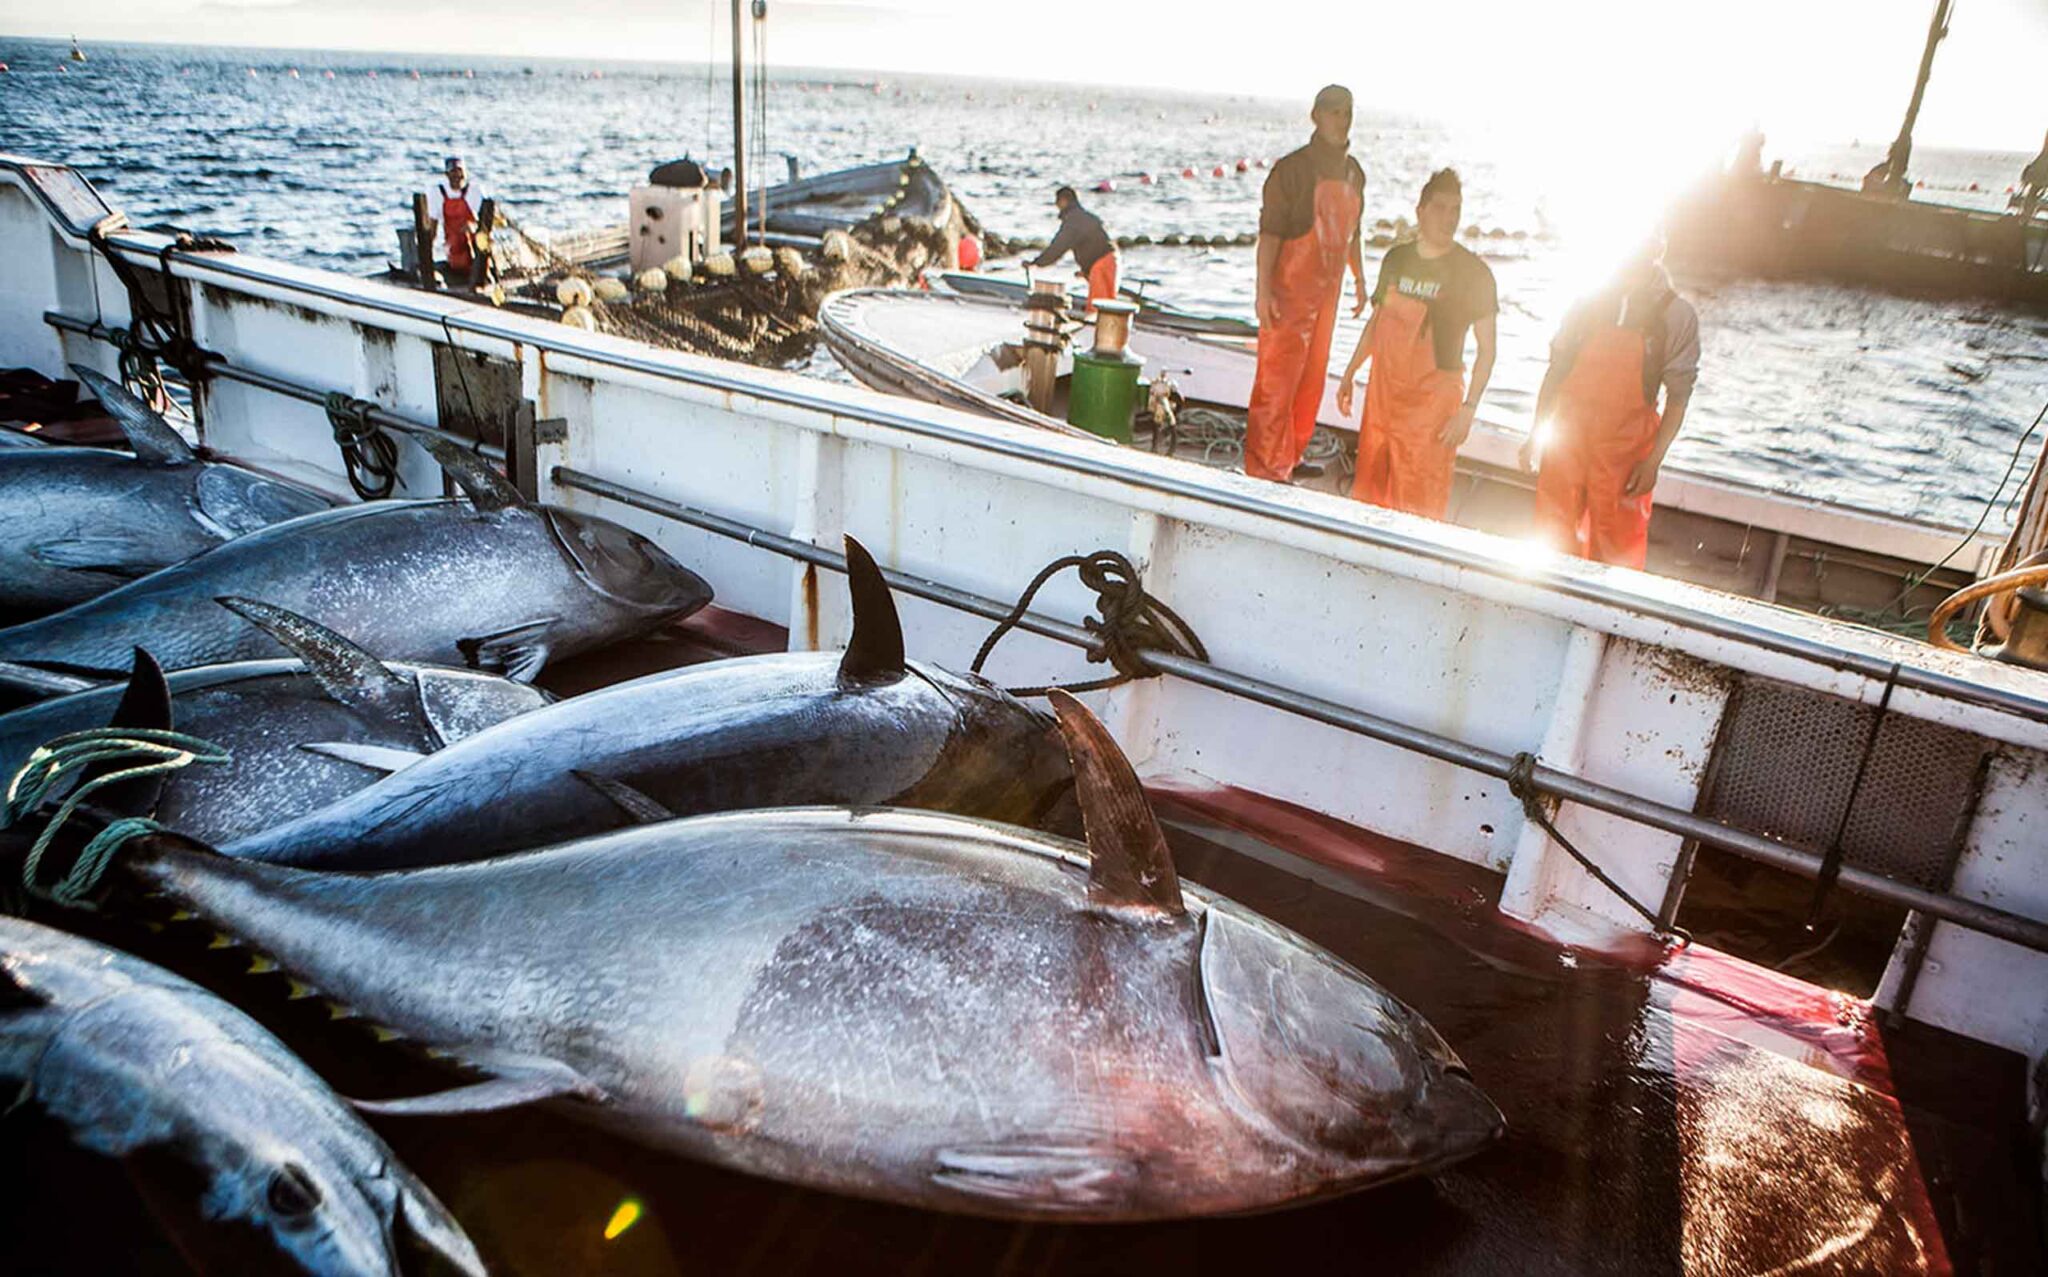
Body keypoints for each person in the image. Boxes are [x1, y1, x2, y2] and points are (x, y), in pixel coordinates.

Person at [1519, 238, 1700, 569]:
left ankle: (1607, 620)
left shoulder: (1676, 314)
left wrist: (1653, 462)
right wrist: (1535, 435)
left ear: (1657, 249)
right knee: (1551, 543)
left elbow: (1678, 396)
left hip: (1626, 455)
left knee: (1617, 557)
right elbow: (1556, 371)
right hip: (1566, 445)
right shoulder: (1586, 302)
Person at [1335, 168, 1496, 519]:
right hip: (1383, 398)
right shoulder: (1397, 259)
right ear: (1420, 211)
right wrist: (1350, 371)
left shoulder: (1475, 273)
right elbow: (1377, 323)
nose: (1449, 218)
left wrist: (1468, 410)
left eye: (1455, 210)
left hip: (1434, 406)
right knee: (1369, 499)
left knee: (1419, 509)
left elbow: (1488, 350)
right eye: (1440, 208)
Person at [1245, 84, 1367, 483]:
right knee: (1275, 385)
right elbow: (1270, 236)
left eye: (1347, 111)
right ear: (1315, 115)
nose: (1341, 119)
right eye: (1334, 111)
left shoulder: (1355, 173)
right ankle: (1264, 469)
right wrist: (1263, 292)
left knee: (1311, 384)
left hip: (1327, 297)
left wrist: (1360, 276)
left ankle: (1290, 458)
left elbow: (1354, 232)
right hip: (1288, 293)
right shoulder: (1292, 169)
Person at [1031, 187, 1118, 311]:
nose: (1057, 205)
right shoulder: (1081, 216)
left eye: (1057, 201)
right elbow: (1091, 243)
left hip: (1102, 263)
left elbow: (1058, 247)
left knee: (1099, 308)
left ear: (1064, 201)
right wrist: (1086, 270)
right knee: (1106, 303)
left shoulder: (1074, 220)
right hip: (1109, 259)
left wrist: (1038, 262)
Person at [422, 156, 485, 287]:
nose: (457, 176)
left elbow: (485, 224)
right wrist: (425, 257)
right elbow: (432, 229)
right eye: (453, 172)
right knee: (456, 253)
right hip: (454, 246)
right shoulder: (438, 193)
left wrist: (472, 227)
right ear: (447, 175)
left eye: (460, 172)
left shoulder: (475, 191)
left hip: (475, 243)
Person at [2020, 130, 2048, 221]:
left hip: (2041, 169)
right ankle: (2026, 215)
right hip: (2041, 169)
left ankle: (2026, 215)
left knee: (2032, 193)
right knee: (2033, 193)